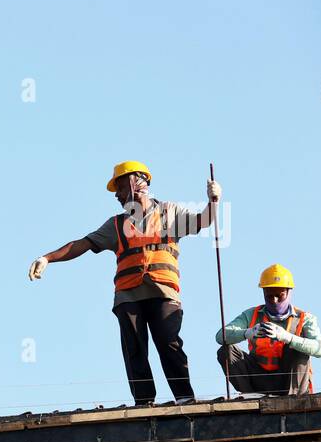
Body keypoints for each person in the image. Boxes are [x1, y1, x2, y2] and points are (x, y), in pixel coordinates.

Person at [28, 162, 221, 405]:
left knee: (168, 342)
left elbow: (203, 221)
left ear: (136, 182)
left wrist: (213, 201)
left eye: (119, 187)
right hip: (128, 295)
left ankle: (184, 399)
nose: (117, 195)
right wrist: (47, 258)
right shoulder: (116, 225)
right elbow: (82, 244)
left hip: (163, 290)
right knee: (134, 350)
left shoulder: (169, 213)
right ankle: (144, 402)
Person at [216, 264, 321, 396]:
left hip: (288, 380)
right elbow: (220, 336)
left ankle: (294, 399)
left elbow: (320, 349)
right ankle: (250, 397)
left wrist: (288, 338)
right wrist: (247, 333)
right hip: (259, 378)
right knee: (226, 351)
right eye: (269, 296)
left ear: (289, 292)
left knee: (299, 351)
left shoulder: (305, 318)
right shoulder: (251, 314)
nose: (275, 300)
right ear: (263, 293)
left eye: (280, 295)